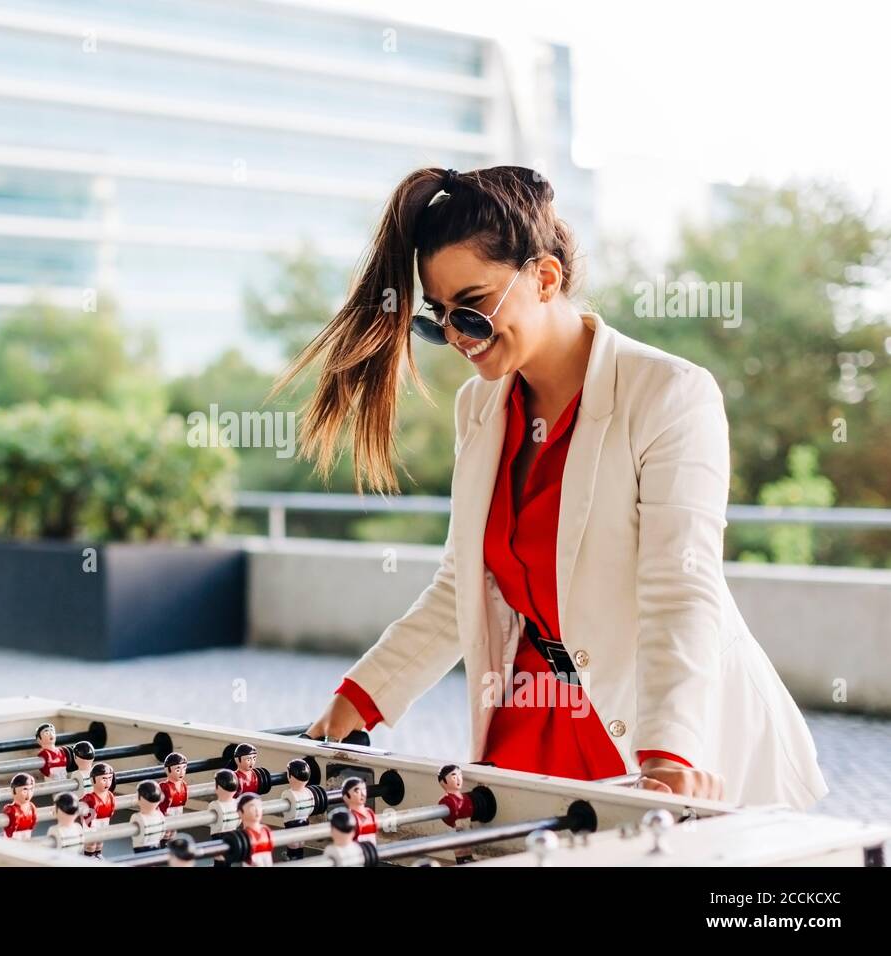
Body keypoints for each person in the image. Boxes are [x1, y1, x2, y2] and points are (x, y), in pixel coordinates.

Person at [292, 165, 826, 810]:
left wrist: (670, 751)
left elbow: (680, 590)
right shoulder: (478, 406)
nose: (460, 336)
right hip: (530, 717)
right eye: (441, 318)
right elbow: (466, 582)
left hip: (656, 725)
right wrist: (360, 697)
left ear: (545, 278)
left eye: (474, 307)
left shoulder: (669, 394)